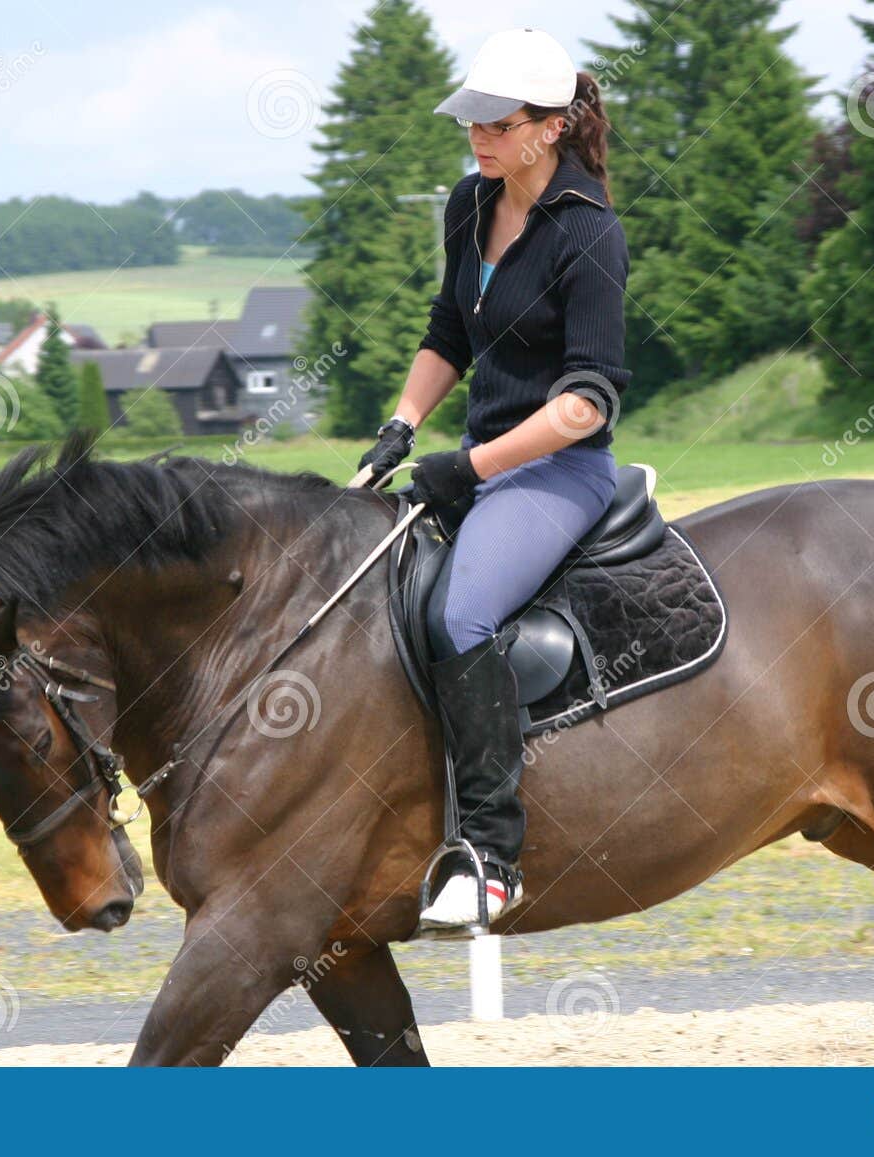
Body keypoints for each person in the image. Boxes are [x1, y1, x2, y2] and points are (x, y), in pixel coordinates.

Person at [357, 27, 632, 929]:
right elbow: (448, 332)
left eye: (496, 120)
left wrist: (468, 465)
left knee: (461, 614)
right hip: (473, 463)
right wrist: (402, 427)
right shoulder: (470, 205)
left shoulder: (589, 235)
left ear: (550, 128)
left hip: (558, 470)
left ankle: (491, 854)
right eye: (470, 117)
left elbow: (586, 403)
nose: (477, 134)